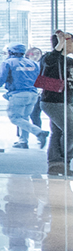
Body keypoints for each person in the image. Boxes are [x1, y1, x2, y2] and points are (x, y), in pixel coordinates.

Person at [0, 42, 43, 148]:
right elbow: (39, 79)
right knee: (24, 118)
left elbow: (1, 79)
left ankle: (38, 132)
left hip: (18, 94)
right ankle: (23, 141)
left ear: (10, 52)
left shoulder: (8, 63)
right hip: (33, 94)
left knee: (15, 118)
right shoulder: (32, 63)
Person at [42, 32, 72, 176]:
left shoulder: (69, 61)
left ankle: (55, 165)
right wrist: (60, 44)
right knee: (71, 130)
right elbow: (49, 62)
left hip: (66, 101)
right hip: (53, 101)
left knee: (58, 132)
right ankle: (64, 161)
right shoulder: (49, 58)